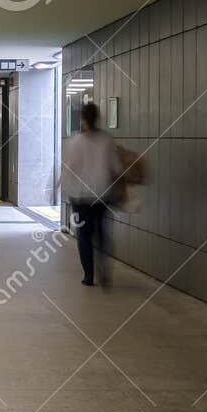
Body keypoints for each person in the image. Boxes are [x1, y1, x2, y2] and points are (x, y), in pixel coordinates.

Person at [61, 100, 130, 287]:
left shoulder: (75, 141)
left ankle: (88, 275)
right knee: (101, 231)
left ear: (83, 118)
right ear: (97, 118)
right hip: (102, 194)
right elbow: (116, 167)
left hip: (81, 195)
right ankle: (104, 268)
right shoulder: (107, 139)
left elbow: (68, 169)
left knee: (83, 234)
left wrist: (60, 186)